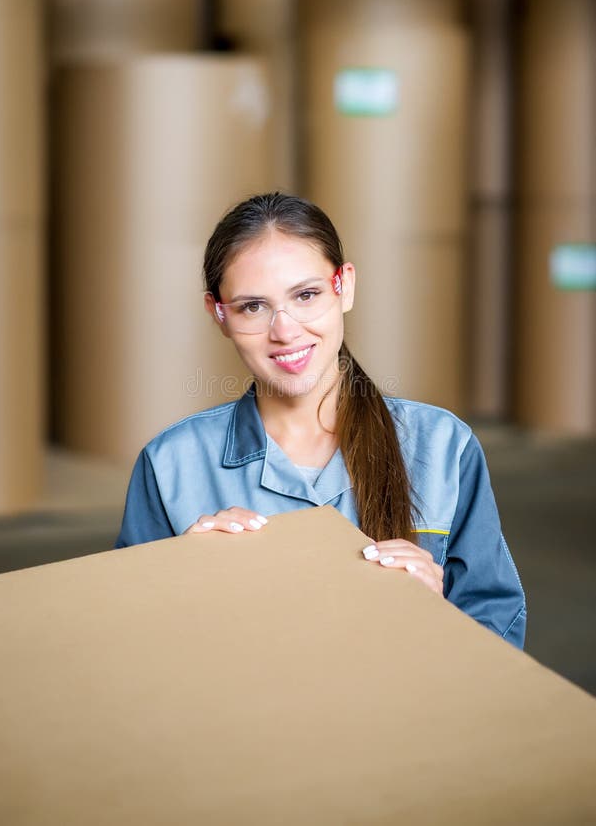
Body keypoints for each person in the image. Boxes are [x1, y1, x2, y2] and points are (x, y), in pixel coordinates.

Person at [115, 192, 526, 649]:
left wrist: (438, 612)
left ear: (343, 286)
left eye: (306, 295)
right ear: (219, 314)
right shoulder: (170, 464)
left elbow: (497, 626)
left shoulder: (443, 447)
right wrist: (175, 582)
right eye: (253, 306)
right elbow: (132, 644)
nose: (285, 330)